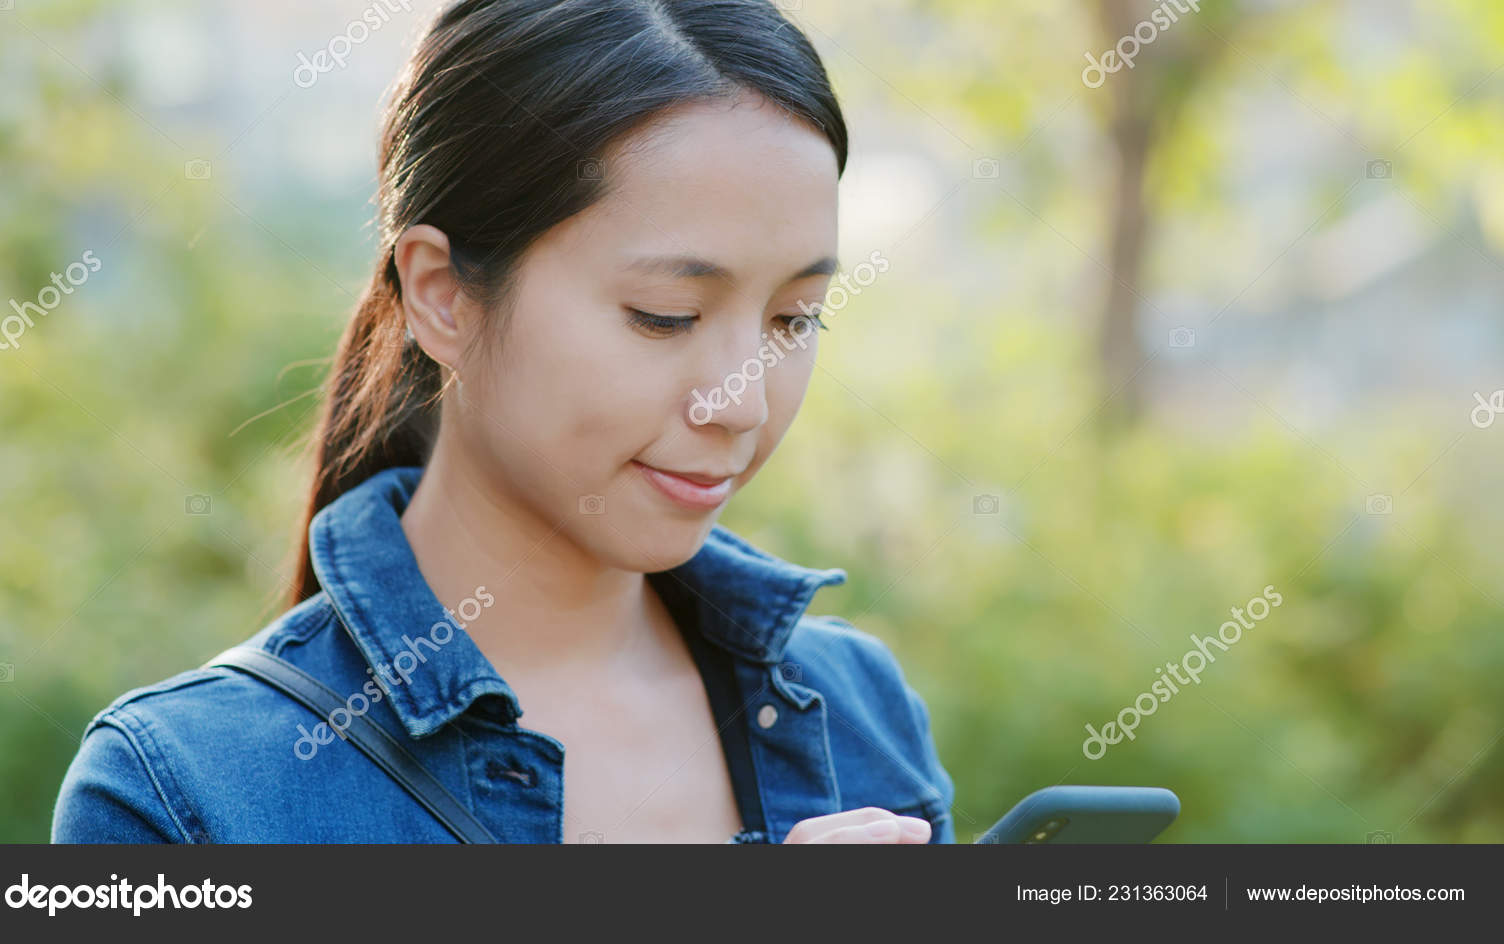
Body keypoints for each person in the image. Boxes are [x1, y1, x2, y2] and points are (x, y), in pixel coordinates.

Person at [52, 0, 954, 844]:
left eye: (794, 320)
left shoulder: (856, 712)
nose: (744, 403)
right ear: (442, 295)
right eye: (666, 315)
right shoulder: (189, 791)